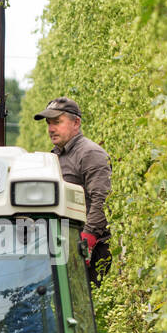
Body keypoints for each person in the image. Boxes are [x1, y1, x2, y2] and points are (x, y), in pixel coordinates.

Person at [34, 97, 112, 286]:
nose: (51, 129)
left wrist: (86, 241)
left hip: (91, 252)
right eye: (49, 123)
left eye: (57, 122)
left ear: (76, 123)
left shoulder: (90, 154)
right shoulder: (54, 156)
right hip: (64, 246)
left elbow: (102, 200)